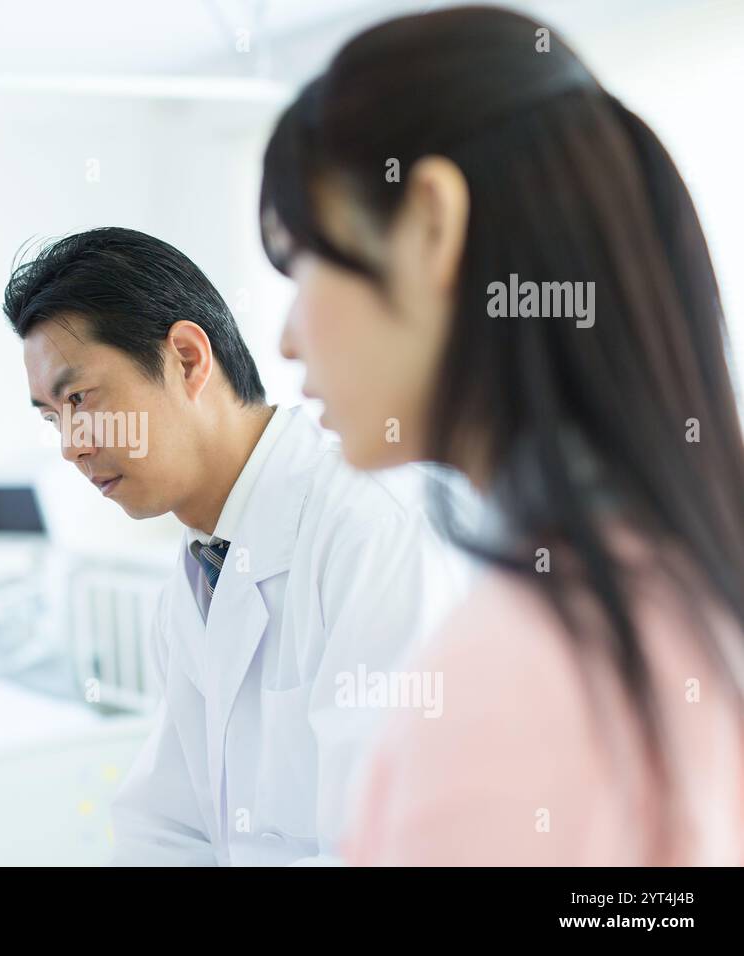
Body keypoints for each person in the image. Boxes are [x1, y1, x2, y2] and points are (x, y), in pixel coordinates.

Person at [261, 7, 744, 864]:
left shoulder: (525, 677)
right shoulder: (680, 590)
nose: (289, 337)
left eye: (303, 263)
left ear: (432, 226)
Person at [1, 227, 458, 865]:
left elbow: (394, 847)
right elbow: (167, 826)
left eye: (79, 399)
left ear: (188, 359)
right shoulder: (195, 579)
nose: (71, 444)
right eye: (53, 416)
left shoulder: (369, 530)